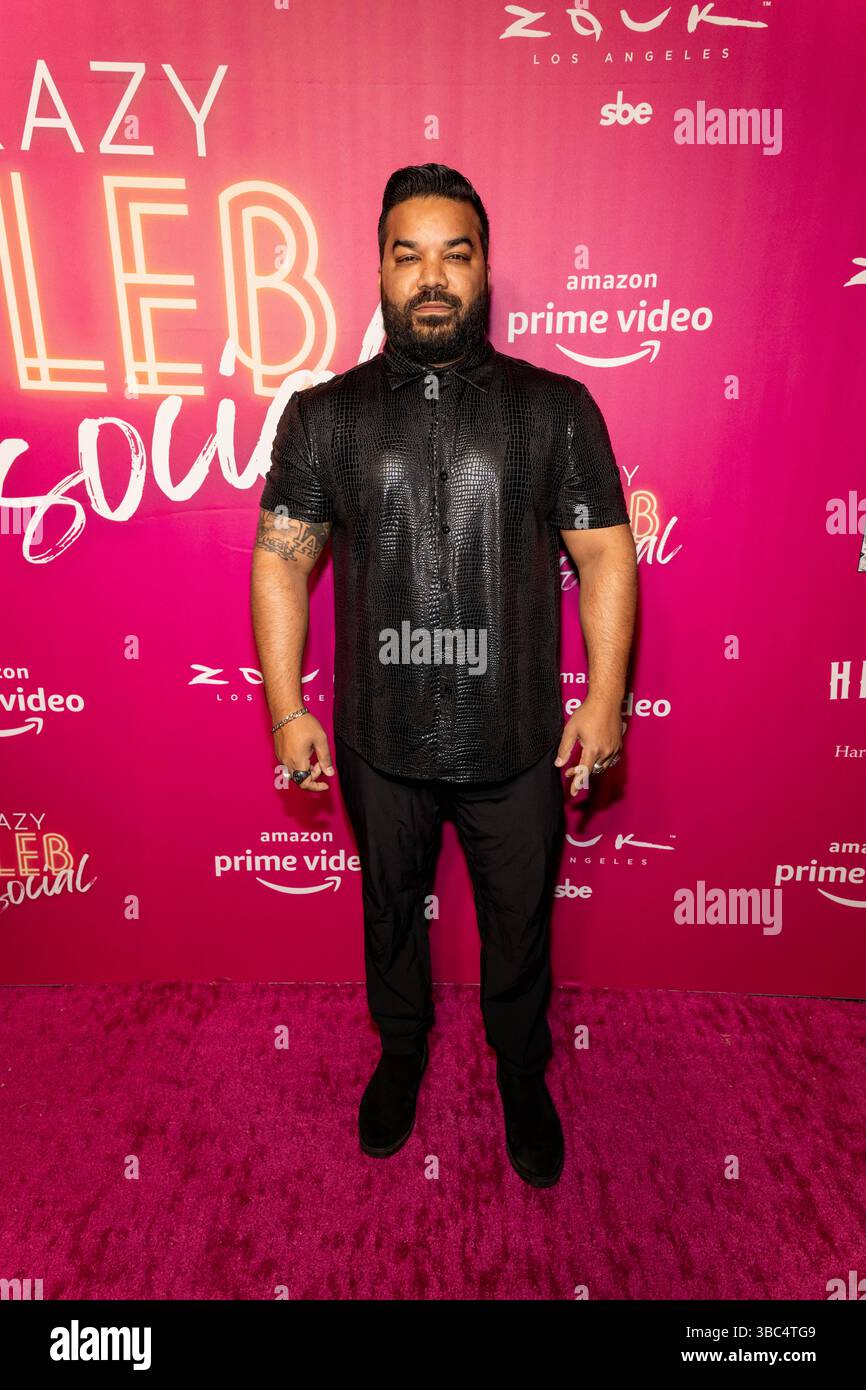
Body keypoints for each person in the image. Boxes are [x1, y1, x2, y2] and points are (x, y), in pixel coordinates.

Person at [251, 163, 637, 1187]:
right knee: (389, 912)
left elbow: (603, 553)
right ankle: (401, 1050)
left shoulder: (555, 408)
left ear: (484, 269)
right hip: (379, 742)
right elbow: (282, 558)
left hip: (515, 744)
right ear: (377, 267)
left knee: (521, 922)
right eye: (407, 254)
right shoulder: (320, 415)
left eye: (453, 255)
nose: (431, 277)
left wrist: (602, 701)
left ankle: (520, 1070)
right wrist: (287, 707)